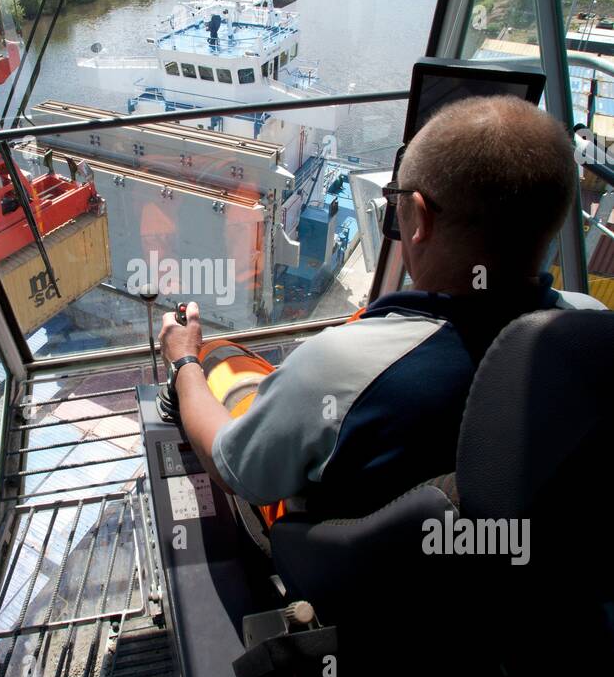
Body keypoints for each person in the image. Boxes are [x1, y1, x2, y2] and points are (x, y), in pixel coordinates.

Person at [158, 96, 606, 520]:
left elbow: (232, 468)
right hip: (531, 584)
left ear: (420, 217)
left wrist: (183, 361)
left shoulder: (339, 368)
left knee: (218, 359)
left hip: (348, 579)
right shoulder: (588, 332)